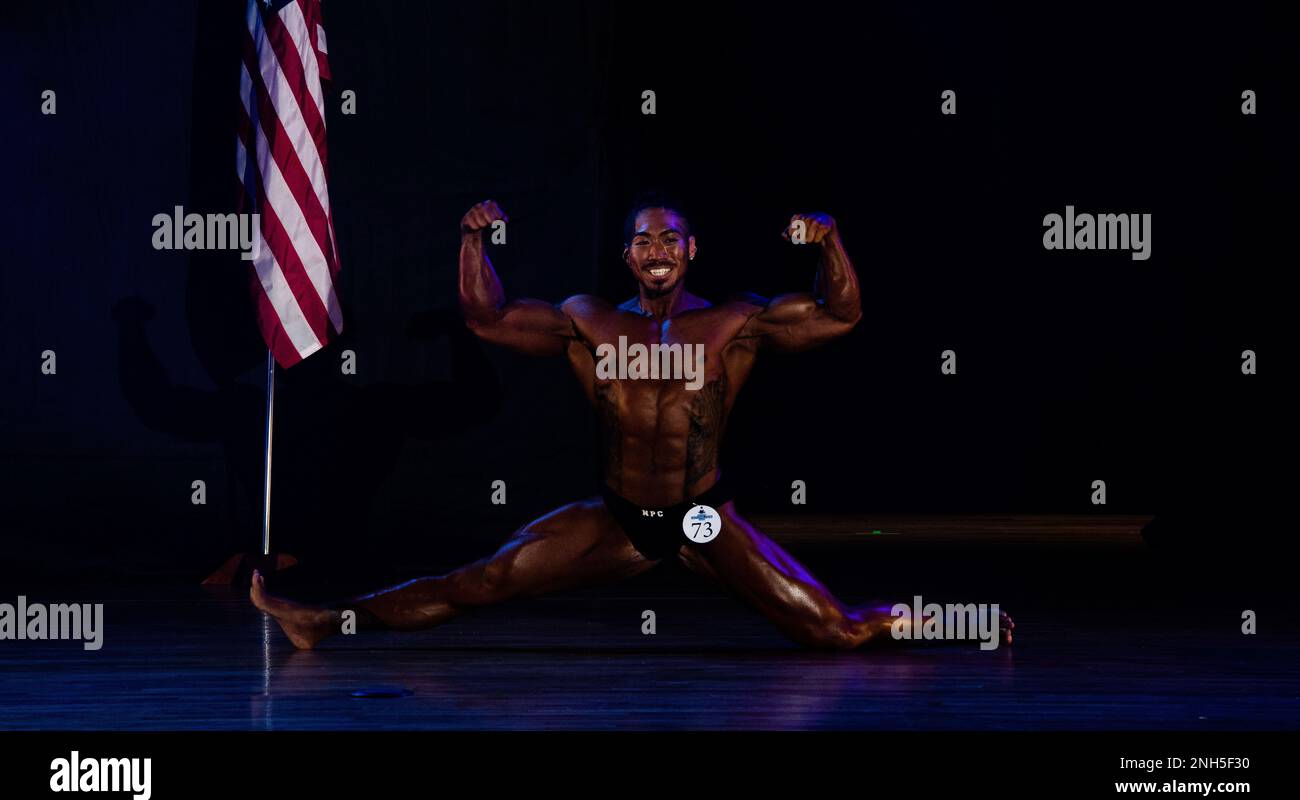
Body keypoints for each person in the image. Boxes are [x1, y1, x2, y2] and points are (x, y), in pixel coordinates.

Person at [252, 194, 1013, 650]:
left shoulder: (734, 324)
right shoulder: (588, 324)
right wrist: (472, 237)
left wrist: (830, 237)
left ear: (690, 250)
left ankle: (949, 620)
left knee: (837, 631)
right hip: (618, 517)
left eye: (670, 237)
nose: (657, 249)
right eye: (643, 238)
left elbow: (843, 313)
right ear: (627, 254)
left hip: (701, 519)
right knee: (481, 579)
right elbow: (484, 316)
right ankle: (327, 621)